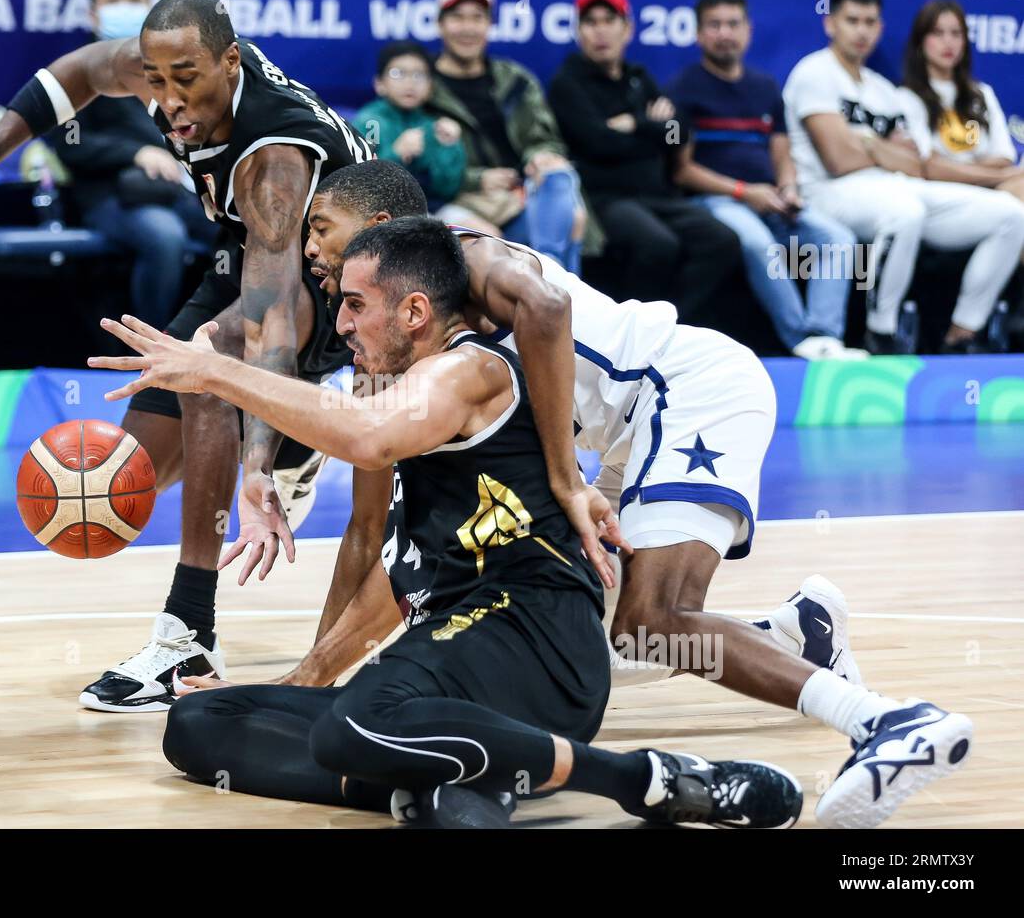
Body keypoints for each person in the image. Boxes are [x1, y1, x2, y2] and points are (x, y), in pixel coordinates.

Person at [274, 160, 974, 829]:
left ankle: (888, 721)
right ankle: (791, 637)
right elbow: (382, 545)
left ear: (382, 227)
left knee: (654, 618)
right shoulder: (395, 348)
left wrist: (562, 478)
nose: (309, 246)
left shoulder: (463, 258)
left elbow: (546, 305)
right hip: (624, 430)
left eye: (323, 226)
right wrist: (307, 686)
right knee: (578, 628)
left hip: (681, 389)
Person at [92, 216, 805, 829]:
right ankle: (440, 778)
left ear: (412, 313)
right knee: (196, 725)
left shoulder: (465, 372)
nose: (339, 325)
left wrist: (214, 372)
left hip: (533, 641)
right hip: (456, 646)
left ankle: (642, 778)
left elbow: (365, 435)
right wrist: (303, 676)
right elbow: (395, 570)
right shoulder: (403, 383)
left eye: (353, 304)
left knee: (355, 724)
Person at [0, 0, 374, 710]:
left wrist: (254, 471)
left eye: (188, 78)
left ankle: (187, 639)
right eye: (158, 81)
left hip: (346, 268)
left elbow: (273, 320)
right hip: (247, 252)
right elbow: (80, 73)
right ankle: (294, 445)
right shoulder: (160, 67)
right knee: (136, 476)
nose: (172, 98)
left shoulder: (271, 160)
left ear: (230, 61)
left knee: (208, 360)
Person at [781, 0, 1024, 354]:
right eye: (852, 21)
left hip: (892, 183)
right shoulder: (814, 73)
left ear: (880, 29)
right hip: (827, 191)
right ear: (830, 24)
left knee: (1011, 215)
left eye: (870, 22)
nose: (861, 30)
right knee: (904, 213)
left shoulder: (882, 90)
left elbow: (916, 164)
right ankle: (881, 332)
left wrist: (864, 143)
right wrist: (879, 148)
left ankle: (963, 334)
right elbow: (838, 158)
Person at [669, 0, 865, 360]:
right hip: (714, 201)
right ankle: (800, 338)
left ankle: (826, 336)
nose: (724, 32)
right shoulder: (682, 90)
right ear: (698, 34)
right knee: (760, 244)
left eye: (733, 24)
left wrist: (788, 188)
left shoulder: (765, 88)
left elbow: (781, 152)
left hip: (771, 199)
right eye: (714, 25)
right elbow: (682, 171)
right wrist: (744, 191)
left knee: (838, 237)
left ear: (748, 30)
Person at [549, 0, 740, 327]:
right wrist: (652, 128)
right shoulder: (568, 83)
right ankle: (638, 337)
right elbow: (599, 143)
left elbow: (680, 133)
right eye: (591, 22)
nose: (601, 31)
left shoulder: (639, 77)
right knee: (657, 244)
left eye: (610, 21)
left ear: (628, 29)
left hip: (659, 196)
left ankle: (680, 327)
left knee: (722, 240)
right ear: (578, 31)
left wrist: (633, 124)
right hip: (606, 199)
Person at [50, 0, 218, 333]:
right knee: (165, 236)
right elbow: (70, 144)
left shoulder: (173, 69)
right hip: (111, 196)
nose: (124, 8)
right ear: (93, 12)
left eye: (133, 0)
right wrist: (135, 153)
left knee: (241, 234)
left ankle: (238, 347)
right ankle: (152, 349)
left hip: (178, 191)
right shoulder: (74, 72)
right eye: (114, 1)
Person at [426, 0, 585, 272]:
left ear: (490, 24)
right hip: (461, 201)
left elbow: (545, 138)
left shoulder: (515, 79)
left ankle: (553, 282)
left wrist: (539, 157)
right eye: (457, 17)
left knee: (560, 181)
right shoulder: (422, 88)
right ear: (440, 24)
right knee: (505, 240)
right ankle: (554, 288)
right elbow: (416, 166)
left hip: (519, 195)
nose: (468, 28)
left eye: (477, 18)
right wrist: (478, 178)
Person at [897, 0, 1024, 207]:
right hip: (942, 195)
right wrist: (997, 174)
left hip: (989, 188)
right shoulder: (907, 97)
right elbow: (929, 166)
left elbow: (1004, 157)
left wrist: (956, 166)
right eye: (938, 33)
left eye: (956, 34)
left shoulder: (982, 93)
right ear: (920, 41)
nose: (948, 43)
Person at [352, 41, 466, 213]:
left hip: (431, 208)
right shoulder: (370, 123)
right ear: (379, 84)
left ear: (430, 85)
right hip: (380, 211)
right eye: (398, 73)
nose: (410, 83)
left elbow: (448, 189)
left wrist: (449, 148)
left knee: (483, 232)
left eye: (419, 75)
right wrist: (396, 154)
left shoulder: (433, 126)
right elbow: (359, 184)